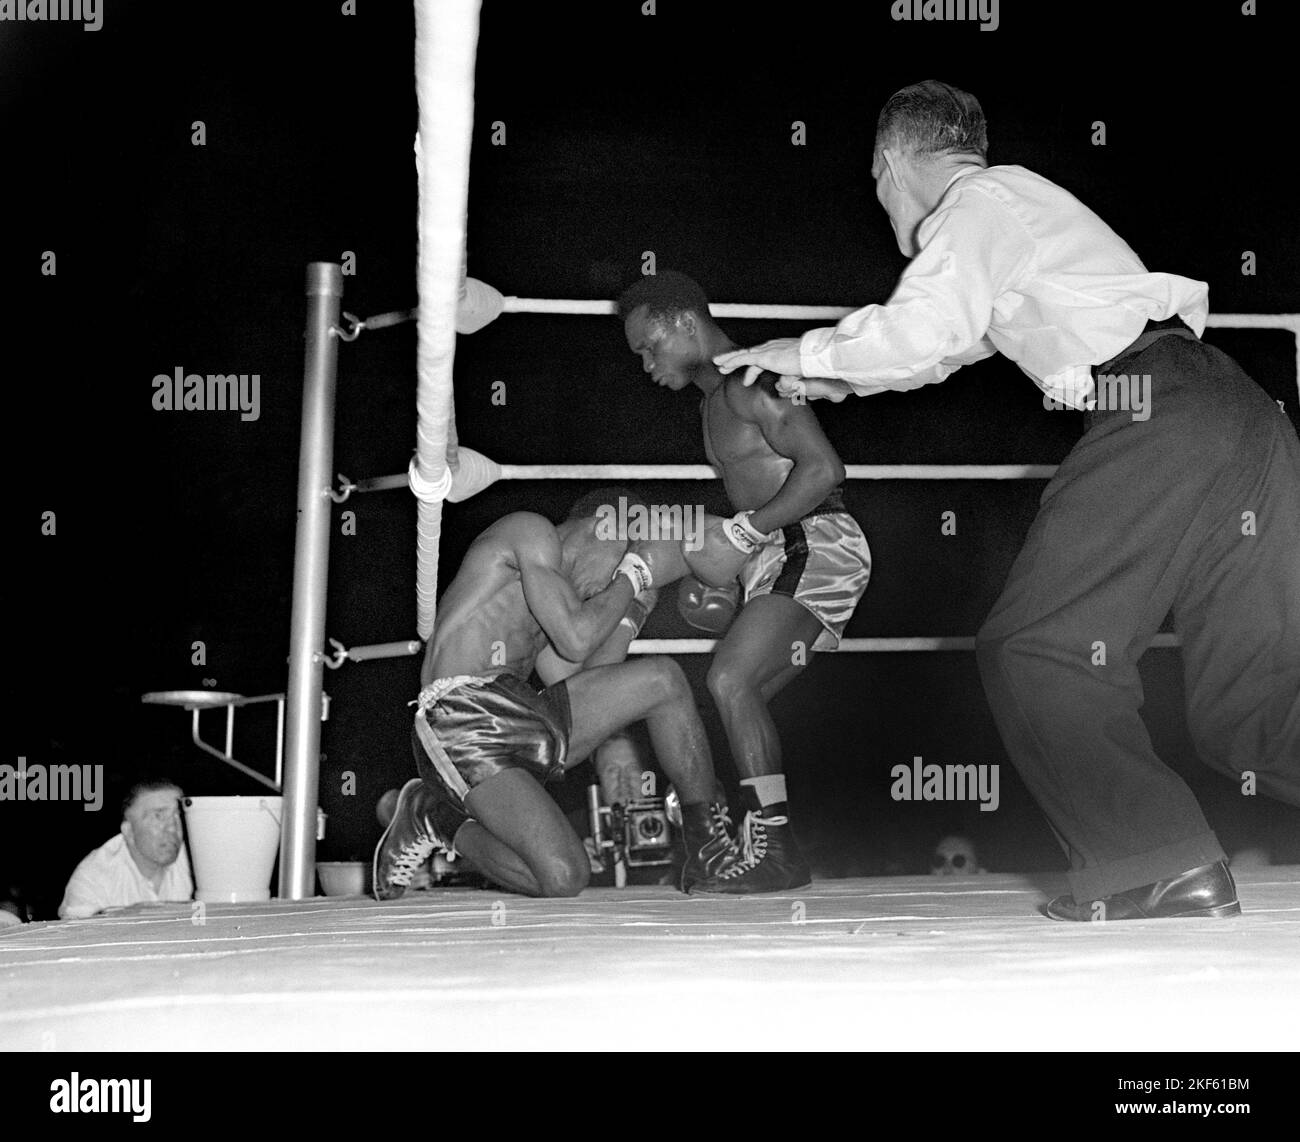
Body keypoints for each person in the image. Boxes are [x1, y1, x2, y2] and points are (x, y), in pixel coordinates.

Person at [715, 80, 1300, 921]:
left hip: (1163, 410)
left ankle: (1156, 862)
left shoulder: (977, 202)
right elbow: (943, 351)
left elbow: (919, 329)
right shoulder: (1022, 214)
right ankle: (1159, 859)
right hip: (1243, 415)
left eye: (875, 184)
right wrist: (828, 371)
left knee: (1037, 646)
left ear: (889, 165)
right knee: (1254, 713)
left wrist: (801, 347)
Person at [618, 272, 871, 892]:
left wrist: (744, 531)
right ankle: (756, 841)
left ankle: (776, 849)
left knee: (729, 678)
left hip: (812, 540)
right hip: (778, 553)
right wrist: (743, 546)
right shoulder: (713, 403)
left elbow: (824, 470)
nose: (647, 364)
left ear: (685, 322)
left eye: (650, 345)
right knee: (737, 690)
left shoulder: (746, 386)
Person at [373, 489, 742, 900]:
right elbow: (577, 638)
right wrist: (636, 574)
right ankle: (433, 816)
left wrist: (633, 609)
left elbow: (591, 680)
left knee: (662, 680)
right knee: (564, 878)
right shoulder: (529, 533)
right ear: (607, 527)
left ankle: (710, 849)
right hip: (460, 718)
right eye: (619, 564)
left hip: (522, 712)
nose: (605, 588)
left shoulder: (559, 599)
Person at [59, 780, 193, 919]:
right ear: (129, 831)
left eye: (178, 815)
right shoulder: (92, 878)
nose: (173, 828)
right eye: (158, 816)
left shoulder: (198, 859)